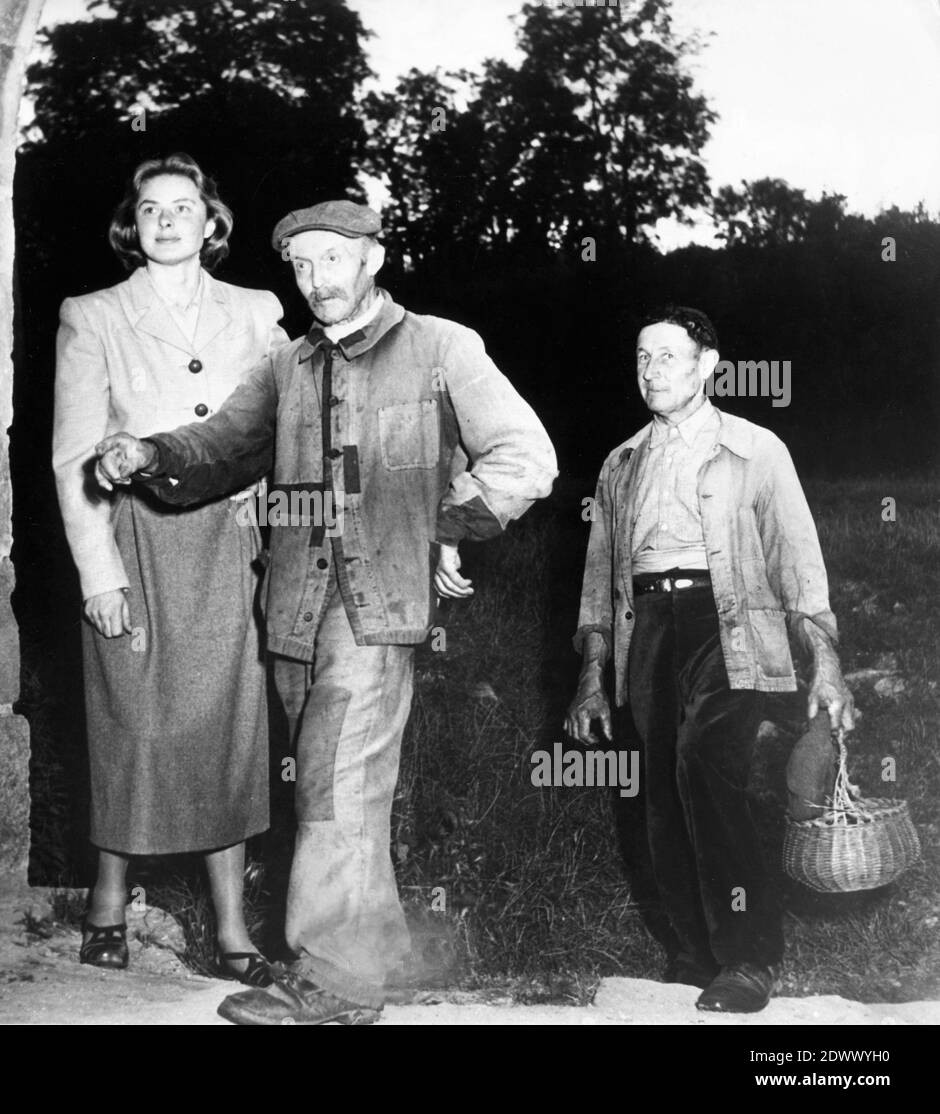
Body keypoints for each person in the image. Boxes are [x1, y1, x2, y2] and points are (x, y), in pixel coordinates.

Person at [94, 200, 557, 1024]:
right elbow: (224, 447)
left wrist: (449, 525)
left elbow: (527, 457)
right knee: (338, 791)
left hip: (375, 611)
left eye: (332, 261)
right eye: (300, 266)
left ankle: (334, 981)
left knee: (334, 787)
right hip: (294, 610)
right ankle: (372, 959)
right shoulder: (287, 366)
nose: (315, 281)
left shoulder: (442, 347)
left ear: (373, 258)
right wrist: (150, 454)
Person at [564, 305, 856, 1013]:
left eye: (668, 356)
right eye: (642, 357)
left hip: (727, 626)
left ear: (708, 366)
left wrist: (827, 662)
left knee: (703, 764)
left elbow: (798, 559)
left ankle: (749, 959)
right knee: (659, 791)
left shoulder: (757, 449)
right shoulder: (620, 462)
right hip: (647, 627)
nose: (652, 370)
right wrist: (590, 680)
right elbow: (600, 580)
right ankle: (693, 955)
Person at [51, 153, 288, 986]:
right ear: (132, 225)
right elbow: (73, 454)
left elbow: (278, 432)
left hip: (230, 544)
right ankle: (107, 904)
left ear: (211, 222)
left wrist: (269, 514)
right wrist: (98, 574)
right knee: (133, 723)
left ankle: (232, 930)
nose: (167, 219)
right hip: (139, 543)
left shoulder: (260, 312)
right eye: (150, 208)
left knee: (229, 730)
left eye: (183, 206)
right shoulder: (93, 314)